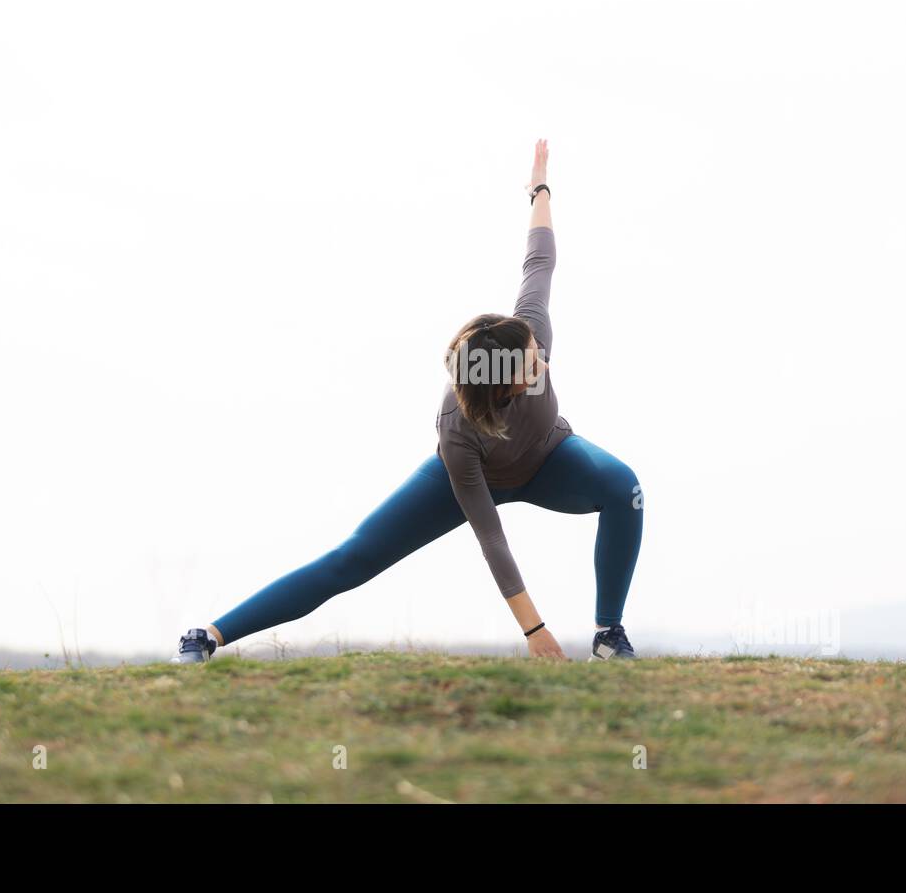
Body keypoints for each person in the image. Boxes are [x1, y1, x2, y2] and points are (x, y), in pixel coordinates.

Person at [172, 139, 644, 664]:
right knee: (351, 560)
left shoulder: (527, 329)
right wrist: (534, 630)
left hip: (550, 458)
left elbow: (540, 257)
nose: (544, 363)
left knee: (624, 488)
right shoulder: (458, 430)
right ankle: (206, 637)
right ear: (504, 383)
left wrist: (539, 187)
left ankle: (608, 635)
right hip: (472, 478)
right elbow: (492, 539)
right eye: (533, 364)